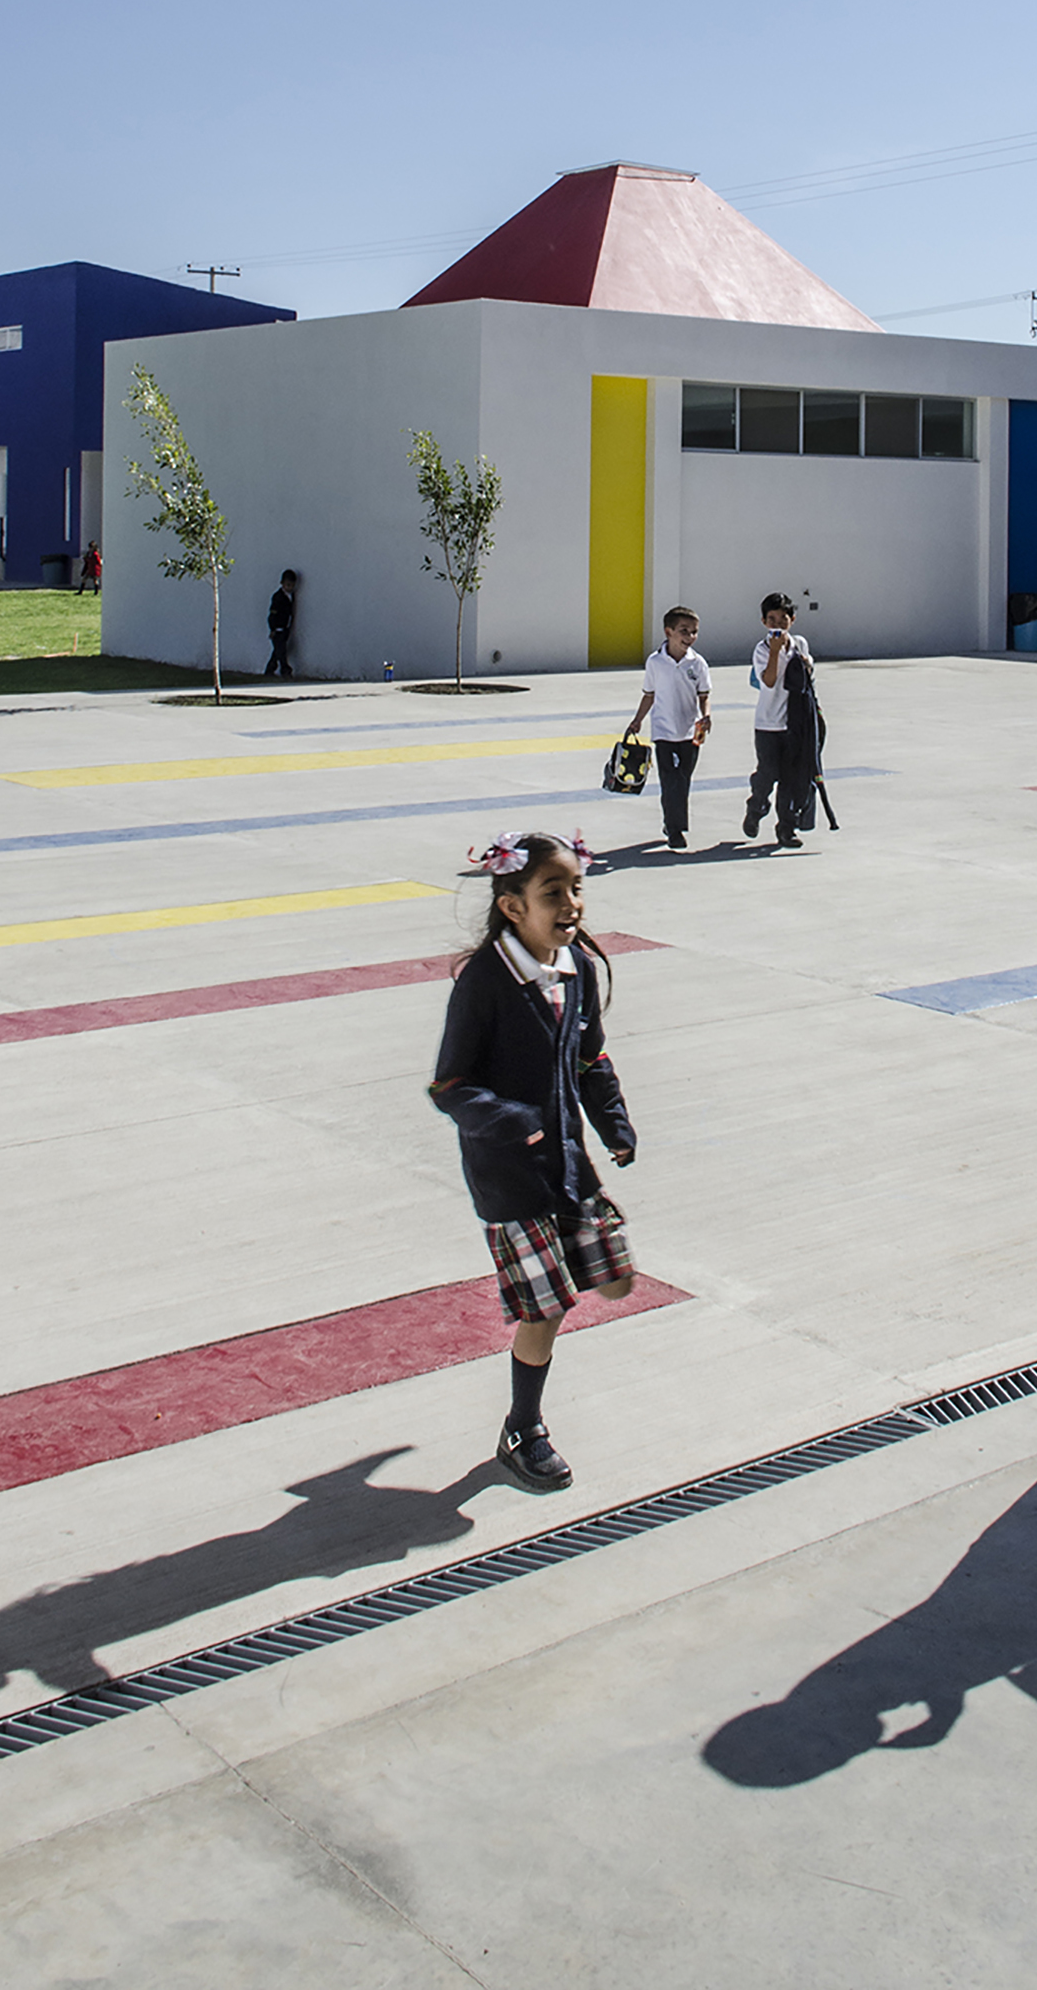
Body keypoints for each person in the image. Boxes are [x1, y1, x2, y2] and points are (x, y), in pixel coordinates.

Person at [427, 832, 637, 1491]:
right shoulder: (486, 984)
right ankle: (524, 1429)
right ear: (513, 906)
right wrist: (508, 1121)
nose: (572, 903)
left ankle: (553, 1292)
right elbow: (450, 1087)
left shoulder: (576, 968)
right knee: (543, 1310)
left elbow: (589, 1057)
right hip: (507, 1175)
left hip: (567, 1163)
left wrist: (614, 1122)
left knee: (615, 1281)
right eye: (554, 892)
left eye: (576, 888)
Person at [625, 605, 712, 849]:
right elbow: (649, 695)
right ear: (668, 631)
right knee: (670, 780)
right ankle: (675, 830)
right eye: (684, 631)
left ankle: (671, 821)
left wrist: (706, 716)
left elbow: (704, 695)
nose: (690, 637)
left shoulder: (698, 663)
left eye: (694, 632)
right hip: (663, 732)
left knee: (683, 780)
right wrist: (638, 719)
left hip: (690, 732)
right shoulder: (655, 662)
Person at [744, 591, 815, 848]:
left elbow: (807, 679)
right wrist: (775, 652)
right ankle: (756, 807)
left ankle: (786, 828)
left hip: (794, 724)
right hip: (768, 724)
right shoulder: (762, 649)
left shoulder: (800, 644)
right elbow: (769, 681)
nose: (777, 625)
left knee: (791, 778)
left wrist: (805, 664)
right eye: (771, 619)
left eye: (782, 619)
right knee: (767, 773)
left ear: (792, 620)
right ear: (764, 622)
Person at [265, 569, 300, 678]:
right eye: (288, 585)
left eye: (292, 585)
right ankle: (285, 670)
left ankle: (270, 669)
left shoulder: (291, 596)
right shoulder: (278, 597)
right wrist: (273, 629)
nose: (290, 588)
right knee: (281, 651)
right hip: (278, 628)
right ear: (282, 584)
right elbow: (272, 615)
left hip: (285, 628)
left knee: (278, 651)